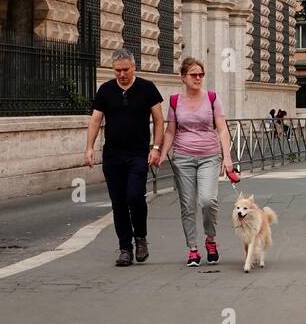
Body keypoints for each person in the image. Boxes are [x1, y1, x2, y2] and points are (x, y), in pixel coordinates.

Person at [85, 49, 164, 266]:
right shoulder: (106, 90)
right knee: (118, 202)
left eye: (125, 70)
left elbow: (158, 120)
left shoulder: (147, 88)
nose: (121, 74)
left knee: (135, 196)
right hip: (113, 155)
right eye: (117, 70)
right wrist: (89, 147)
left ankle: (140, 238)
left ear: (133, 67)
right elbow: (95, 120)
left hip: (138, 154)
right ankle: (125, 248)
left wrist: (156, 147)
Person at [159, 56, 234, 267]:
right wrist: (162, 153)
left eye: (201, 74)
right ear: (183, 77)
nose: (198, 78)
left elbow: (222, 129)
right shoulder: (174, 101)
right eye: (193, 74)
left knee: (208, 200)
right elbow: (171, 131)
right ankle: (192, 249)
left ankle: (210, 240)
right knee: (187, 205)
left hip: (209, 155)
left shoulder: (212, 98)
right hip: (183, 157)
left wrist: (227, 159)